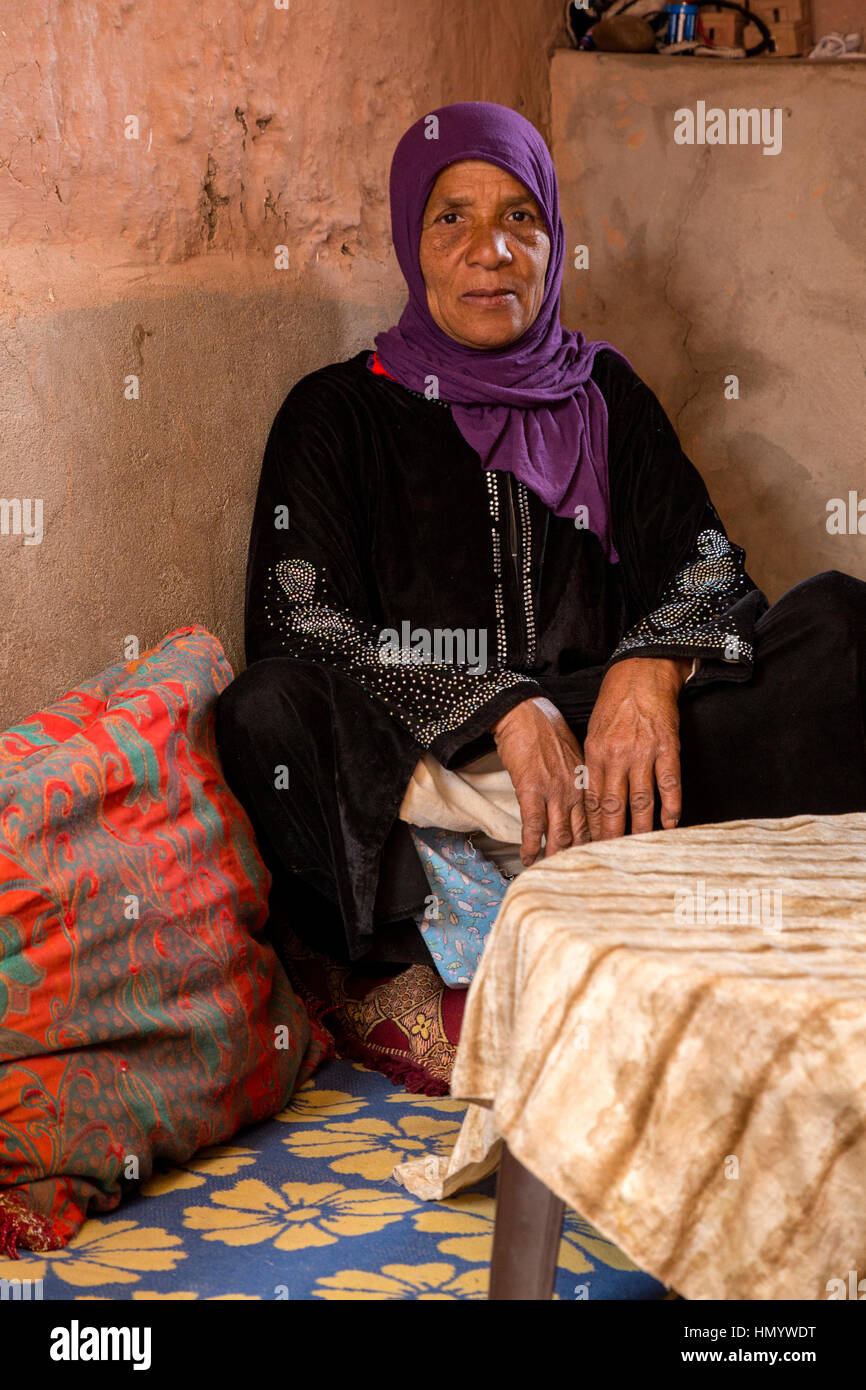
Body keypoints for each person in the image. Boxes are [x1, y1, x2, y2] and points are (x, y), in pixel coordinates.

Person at [216, 101, 866, 984]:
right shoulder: (337, 412)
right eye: (454, 220)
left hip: (619, 767)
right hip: (442, 774)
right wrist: (502, 707)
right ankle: (479, 922)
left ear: (553, 239)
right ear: (414, 241)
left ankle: (574, 884)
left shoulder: (604, 392)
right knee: (267, 712)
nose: (493, 251)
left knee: (837, 624)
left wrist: (651, 667)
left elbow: (708, 569)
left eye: (519, 217)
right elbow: (303, 624)